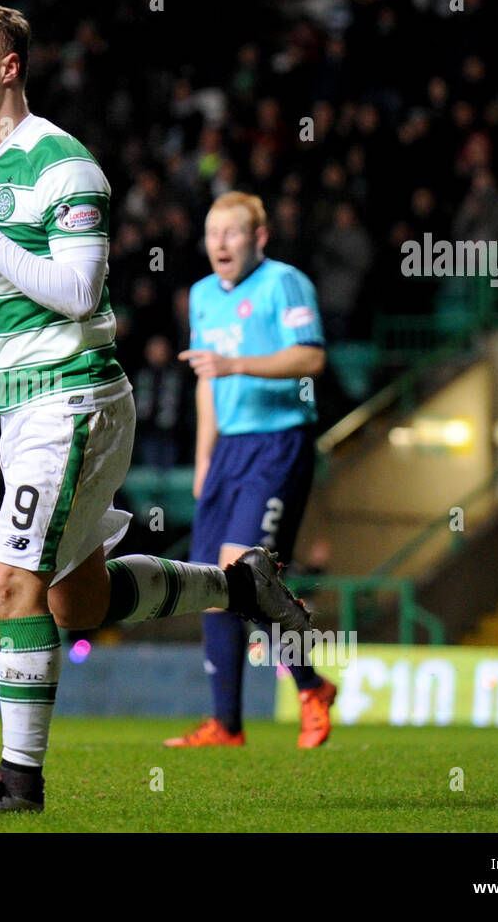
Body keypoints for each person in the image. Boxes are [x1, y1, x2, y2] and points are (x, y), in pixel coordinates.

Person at [0, 5, 311, 814]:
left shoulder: (68, 168)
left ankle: (19, 783)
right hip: (19, 407)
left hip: (75, 400)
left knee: (9, 585)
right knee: (79, 602)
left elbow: (77, 291)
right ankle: (239, 587)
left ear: (8, 67)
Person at [168, 192, 338, 750]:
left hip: (278, 442)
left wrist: (235, 363)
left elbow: (310, 357)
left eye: (232, 232)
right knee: (213, 588)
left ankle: (310, 686)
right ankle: (227, 725)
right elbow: (206, 383)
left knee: (242, 572)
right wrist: (203, 460)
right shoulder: (201, 295)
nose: (219, 242)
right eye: (213, 231)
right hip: (228, 454)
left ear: (258, 238)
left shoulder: (284, 283)